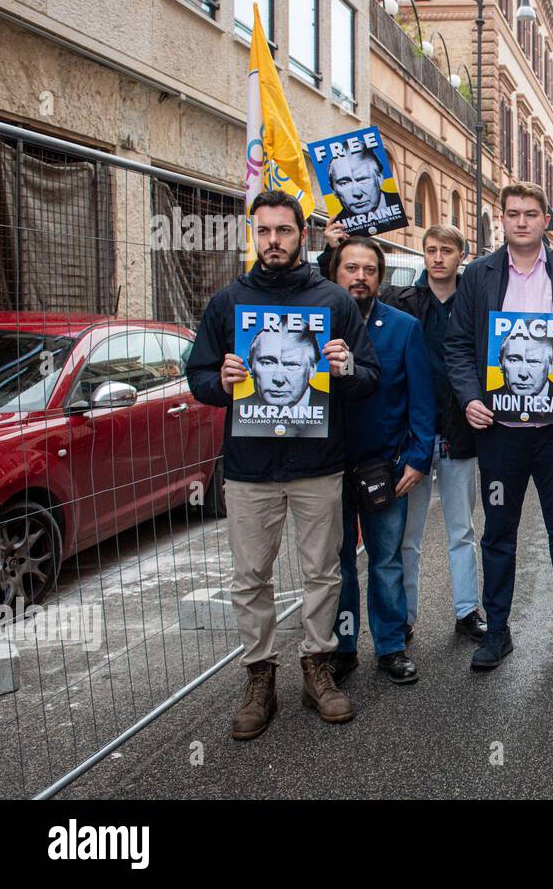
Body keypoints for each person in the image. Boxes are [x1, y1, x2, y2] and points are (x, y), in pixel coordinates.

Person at [186, 190, 380, 740]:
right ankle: (259, 676)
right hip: (249, 468)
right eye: (265, 231)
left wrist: (345, 368)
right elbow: (198, 376)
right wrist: (220, 384)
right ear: (254, 234)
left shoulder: (332, 302)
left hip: (318, 463)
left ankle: (317, 667)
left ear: (303, 235)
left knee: (324, 572)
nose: (274, 240)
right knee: (251, 578)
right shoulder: (229, 303)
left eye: (284, 231)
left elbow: (371, 377)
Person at [444, 182, 553, 672]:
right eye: (513, 214)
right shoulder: (479, 275)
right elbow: (459, 345)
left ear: (546, 220)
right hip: (500, 431)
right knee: (498, 535)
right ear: (502, 219)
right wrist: (469, 398)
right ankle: (499, 632)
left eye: (531, 213)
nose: (522, 221)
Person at [325, 236, 434, 686]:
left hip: (385, 466)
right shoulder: (317, 325)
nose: (359, 277)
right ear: (335, 273)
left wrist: (418, 458)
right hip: (327, 467)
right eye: (350, 268)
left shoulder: (404, 328)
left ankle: (391, 646)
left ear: (380, 277)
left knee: (386, 560)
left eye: (369, 270)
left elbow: (422, 400)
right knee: (337, 562)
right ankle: (343, 648)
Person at [379, 223, 487, 643]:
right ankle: (404, 617)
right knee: (410, 533)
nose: (437, 258)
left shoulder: (475, 304)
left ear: (461, 255)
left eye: (446, 250)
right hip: (413, 436)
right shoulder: (399, 300)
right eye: (430, 250)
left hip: (460, 431)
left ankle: (466, 611)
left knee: (462, 530)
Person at [328, 148, 398, 220]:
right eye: (344, 183)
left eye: (363, 180)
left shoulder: (403, 205)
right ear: (334, 190)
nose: (357, 193)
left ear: (379, 179)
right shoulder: (336, 225)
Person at [499, 326, 553, 399]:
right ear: (501, 363)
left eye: (534, 362)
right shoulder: (487, 401)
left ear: (551, 366)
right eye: (514, 360)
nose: (523, 374)